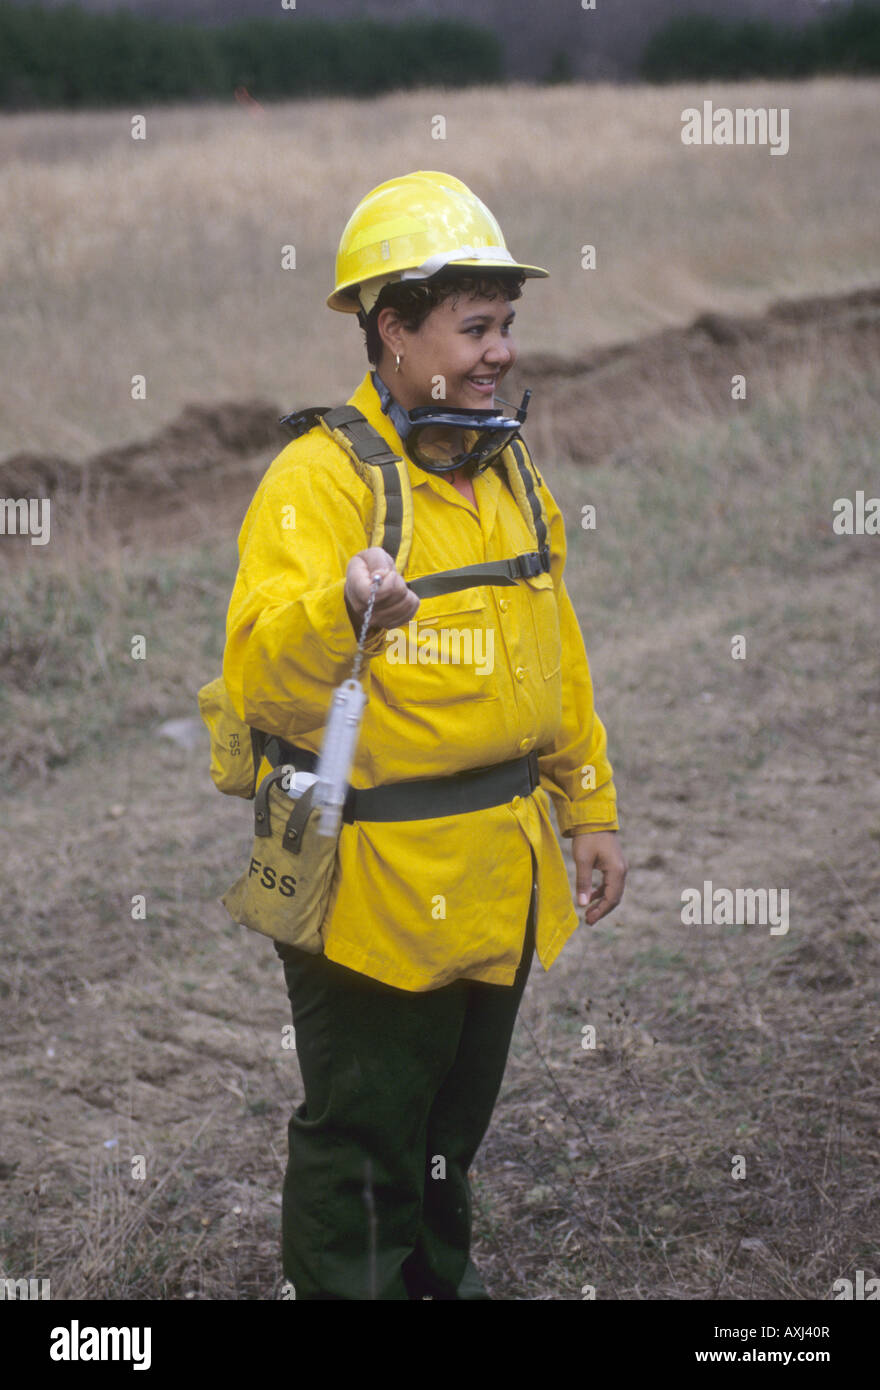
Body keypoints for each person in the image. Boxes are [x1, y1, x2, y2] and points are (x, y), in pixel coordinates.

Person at [223, 171, 627, 1300]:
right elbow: (258, 670)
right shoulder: (318, 480)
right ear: (389, 329)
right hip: (368, 886)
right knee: (364, 1143)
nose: (499, 352)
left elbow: (557, 654)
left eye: (506, 327)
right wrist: (340, 610)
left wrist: (585, 804)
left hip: (500, 877)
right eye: (473, 326)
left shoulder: (507, 472)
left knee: (450, 1139)